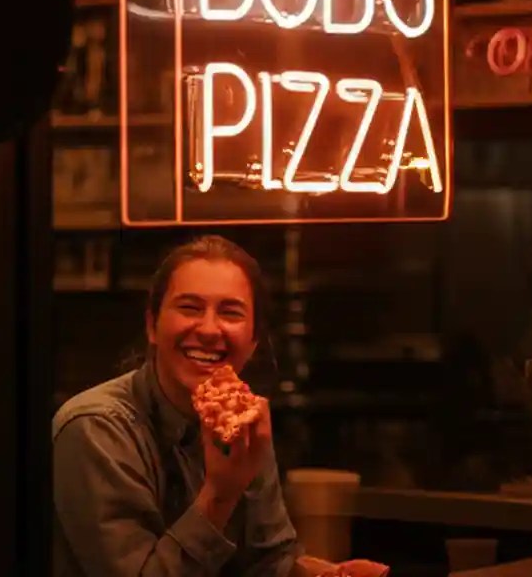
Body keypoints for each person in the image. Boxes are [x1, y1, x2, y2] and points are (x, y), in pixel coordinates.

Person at [52, 235, 385, 577]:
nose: (210, 329)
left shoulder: (243, 419)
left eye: (230, 312)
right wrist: (220, 495)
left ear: (253, 340)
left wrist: (327, 574)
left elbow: (270, 561)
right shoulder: (96, 428)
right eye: (190, 308)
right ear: (153, 325)